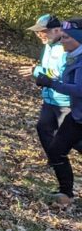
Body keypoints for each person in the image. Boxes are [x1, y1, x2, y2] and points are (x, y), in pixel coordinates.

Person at [33, 26, 82, 201]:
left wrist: (52, 83)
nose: (62, 41)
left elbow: (79, 89)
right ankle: (66, 193)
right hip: (77, 115)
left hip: (75, 113)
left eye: (66, 37)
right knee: (56, 150)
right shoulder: (73, 57)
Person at [23, 15, 71, 163]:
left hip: (66, 102)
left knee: (72, 139)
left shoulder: (65, 47)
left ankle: (57, 159)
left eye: (42, 31)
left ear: (57, 30)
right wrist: (36, 71)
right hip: (49, 99)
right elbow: (47, 69)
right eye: (37, 32)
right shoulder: (49, 46)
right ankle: (55, 160)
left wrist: (36, 71)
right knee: (43, 128)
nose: (39, 35)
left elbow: (60, 73)